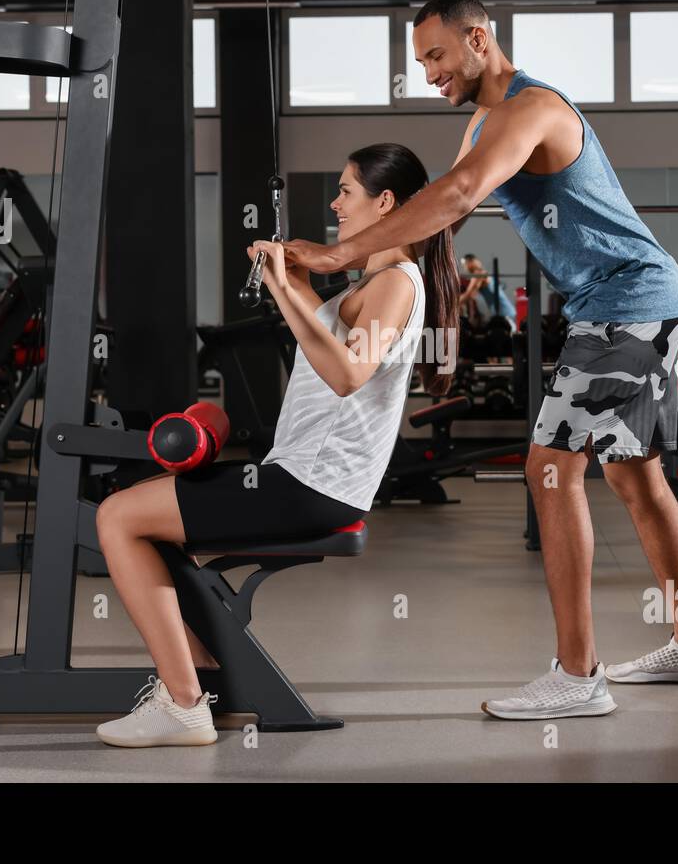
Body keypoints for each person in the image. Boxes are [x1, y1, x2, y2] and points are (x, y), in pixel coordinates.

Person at [280, 0, 678, 721]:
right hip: (631, 300)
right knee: (635, 478)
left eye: (435, 55)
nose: (427, 74)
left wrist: (335, 254)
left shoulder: (532, 109)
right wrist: (417, 296)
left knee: (550, 469)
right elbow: (444, 210)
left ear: (478, 39)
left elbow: (456, 194)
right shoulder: (487, 124)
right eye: (419, 60)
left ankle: (578, 674)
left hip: (627, 299)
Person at [93, 143, 460, 746]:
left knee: (117, 516)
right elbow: (326, 335)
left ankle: (182, 702)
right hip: (303, 478)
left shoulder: (395, 282)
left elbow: (348, 374)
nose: (337, 203)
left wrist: (287, 293)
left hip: (314, 487)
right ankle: (201, 672)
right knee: (139, 507)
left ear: (385, 202)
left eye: (347, 191)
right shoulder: (376, 281)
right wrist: (288, 282)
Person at [458, 253, 517, 322]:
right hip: (504, 314)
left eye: (464, 264)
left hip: (505, 315)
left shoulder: (479, 274)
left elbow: (470, 295)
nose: (464, 267)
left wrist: (452, 304)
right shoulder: (482, 274)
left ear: (471, 262)